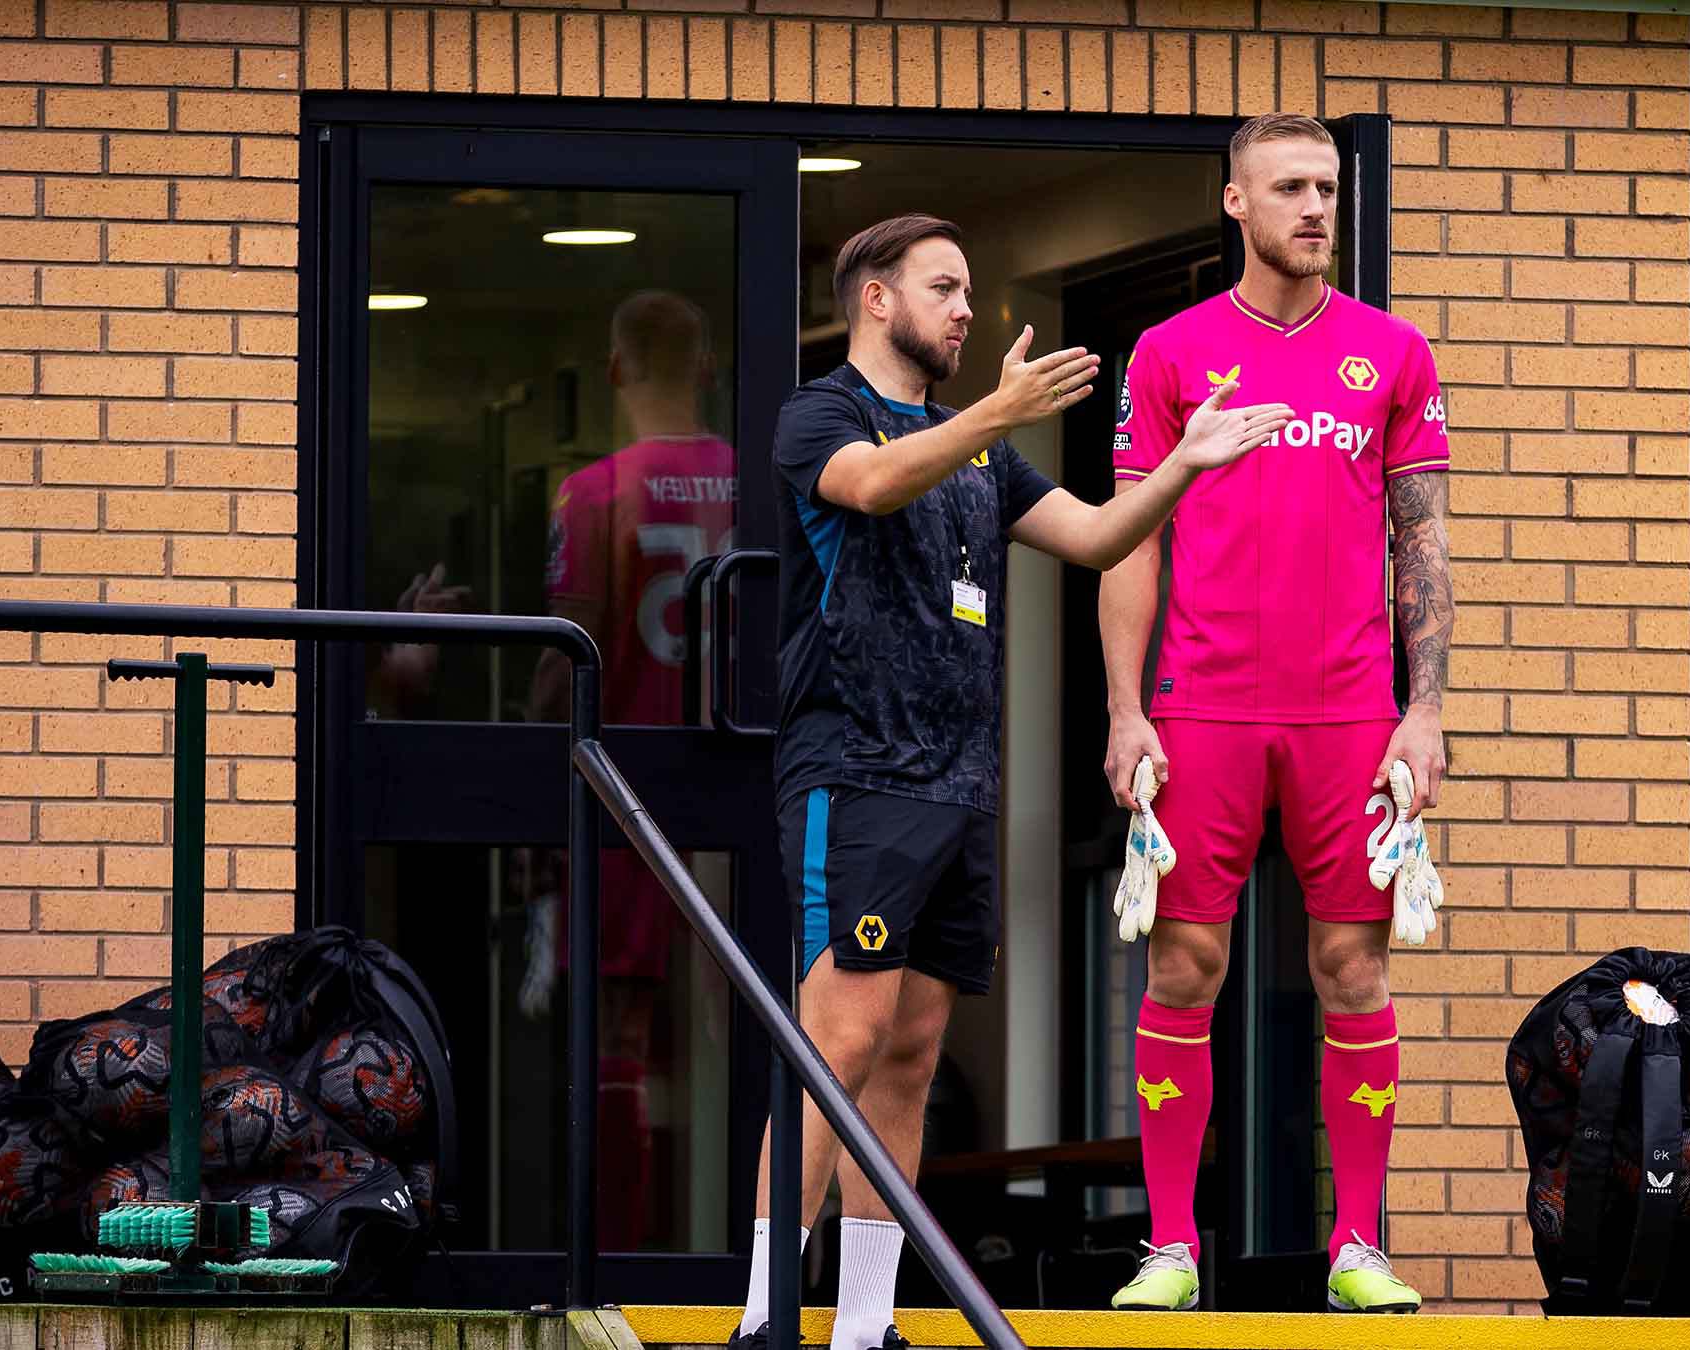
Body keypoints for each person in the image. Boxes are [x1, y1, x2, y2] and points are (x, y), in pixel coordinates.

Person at [734, 213, 1292, 1350]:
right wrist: (996, 410)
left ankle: (864, 1326)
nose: (966, 308)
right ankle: (761, 1322)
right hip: (859, 774)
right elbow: (878, 485)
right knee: (833, 1046)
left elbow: (1092, 537)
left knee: (910, 1058)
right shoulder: (822, 414)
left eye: (969, 288)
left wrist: (1183, 465)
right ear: (877, 300)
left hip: (963, 787)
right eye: (943, 287)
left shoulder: (980, 449)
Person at [1098, 112, 1456, 1315]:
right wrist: (1122, 711)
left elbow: (1424, 545)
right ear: (1234, 204)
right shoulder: (1171, 354)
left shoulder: (1393, 354)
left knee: (1353, 966)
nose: (1316, 208)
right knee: (1186, 962)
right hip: (1200, 705)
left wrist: (1427, 712)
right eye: (1290, 187)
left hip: (1351, 712)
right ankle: (1170, 1250)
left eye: (1328, 187)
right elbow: (1127, 543)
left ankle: (1358, 1244)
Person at [527, 289, 739, 1251]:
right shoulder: (754, 480)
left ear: (615, 369)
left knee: (617, 1027)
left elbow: (563, 650)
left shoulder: (595, 489)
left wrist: (525, 747)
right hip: (732, 783)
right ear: (703, 368)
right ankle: (732, 1240)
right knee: (732, 1014)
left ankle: (623, 1246)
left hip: (623, 788)